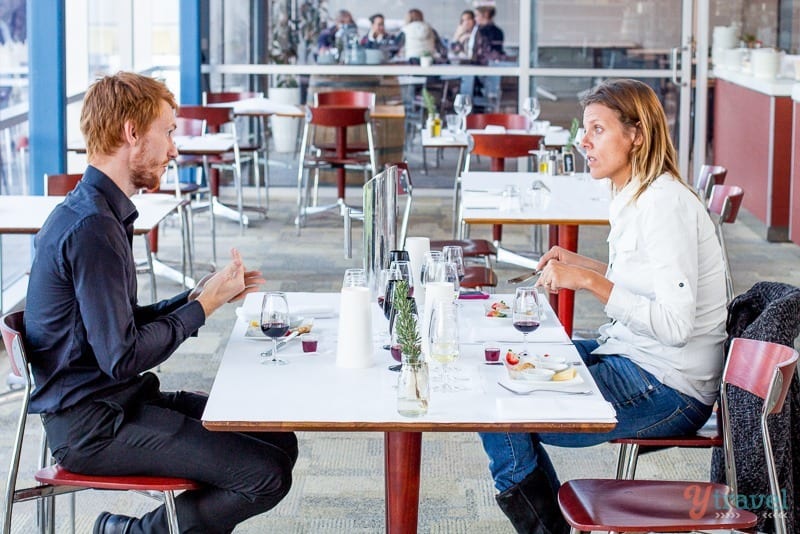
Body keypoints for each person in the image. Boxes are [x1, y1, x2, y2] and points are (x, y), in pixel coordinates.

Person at [24, 72, 298, 534]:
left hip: (117, 402)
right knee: (264, 475)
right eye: (168, 132)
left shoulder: (97, 212)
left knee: (277, 441)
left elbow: (118, 327)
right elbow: (122, 355)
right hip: (93, 427)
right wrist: (203, 309)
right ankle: (129, 533)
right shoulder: (91, 227)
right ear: (132, 133)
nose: (174, 148)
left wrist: (195, 296)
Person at [479, 79, 728, 533]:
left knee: (498, 407)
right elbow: (646, 282)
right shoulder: (635, 194)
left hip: (669, 387)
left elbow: (674, 324)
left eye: (597, 129)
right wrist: (586, 264)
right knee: (495, 368)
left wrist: (590, 281)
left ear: (636, 134)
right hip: (633, 356)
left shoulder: (664, 204)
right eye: (584, 129)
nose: (583, 140)